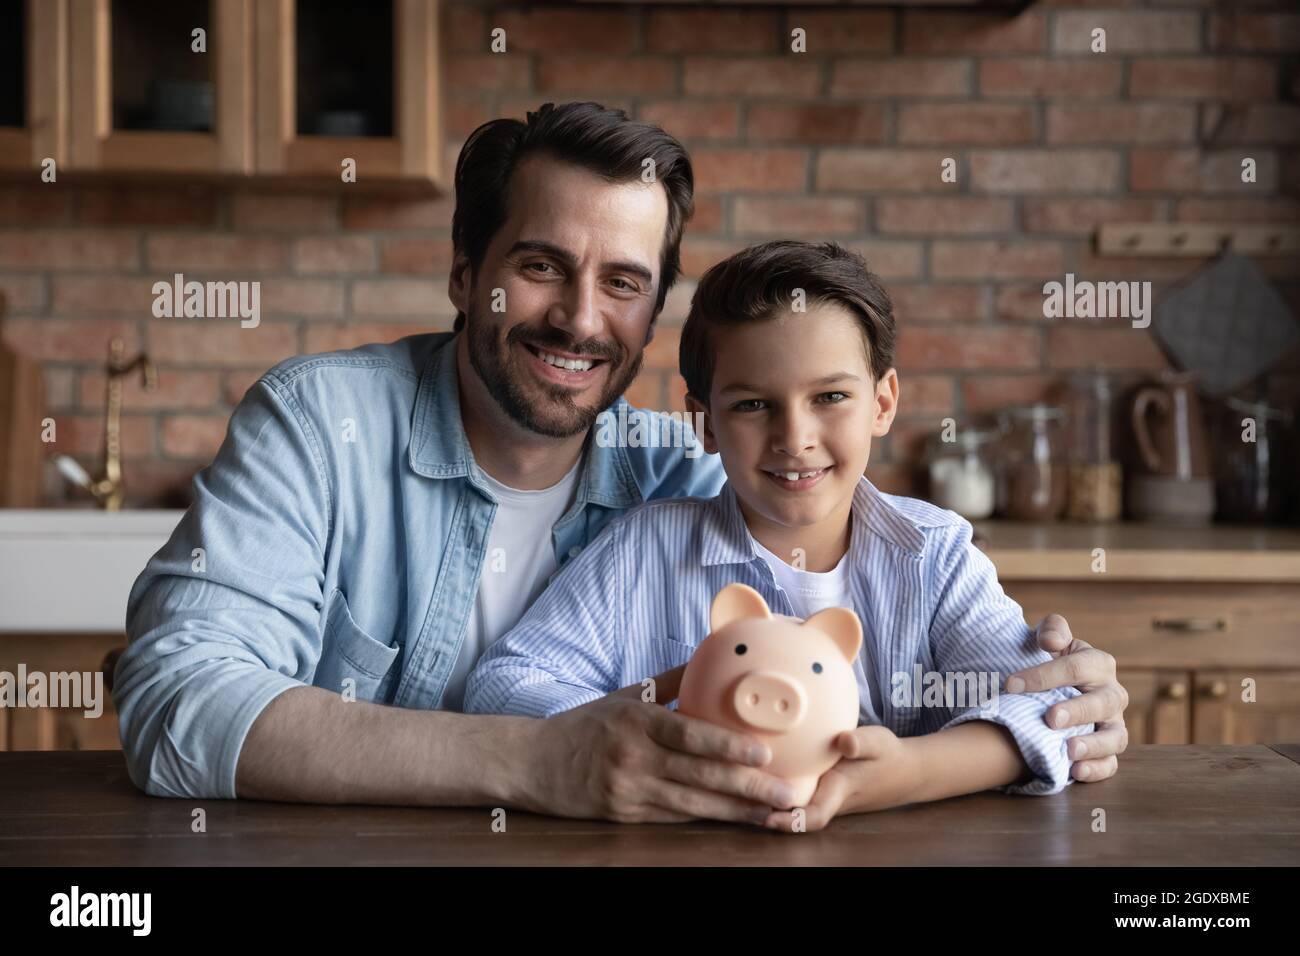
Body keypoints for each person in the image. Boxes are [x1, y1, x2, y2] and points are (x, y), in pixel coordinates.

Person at [115, 103, 1128, 824]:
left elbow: (880, 610)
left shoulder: (687, 475)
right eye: (540, 264)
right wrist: (535, 760)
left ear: (653, 312)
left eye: (624, 281)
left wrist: (1061, 701)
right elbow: (177, 704)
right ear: (468, 274)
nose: (579, 316)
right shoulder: (319, 422)